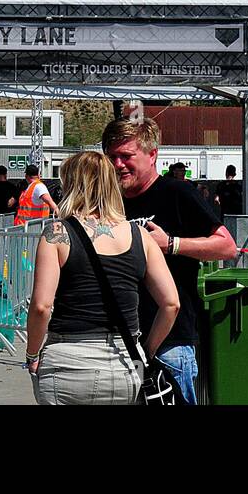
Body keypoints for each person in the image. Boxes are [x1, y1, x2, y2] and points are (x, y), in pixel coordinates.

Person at [24, 151, 180, 405]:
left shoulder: (57, 233)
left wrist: (32, 354)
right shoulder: (140, 235)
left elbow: (42, 306)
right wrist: (145, 351)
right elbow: (171, 304)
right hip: (125, 364)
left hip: (67, 362)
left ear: (72, 186)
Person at [104, 117, 237, 404]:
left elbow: (227, 246)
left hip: (169, 342)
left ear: (152, 155)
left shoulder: (178, 193)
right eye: (111, 156)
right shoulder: (110, 201)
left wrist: (172, 244)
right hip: (118, 341)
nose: (118, 165)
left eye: (126, 156)